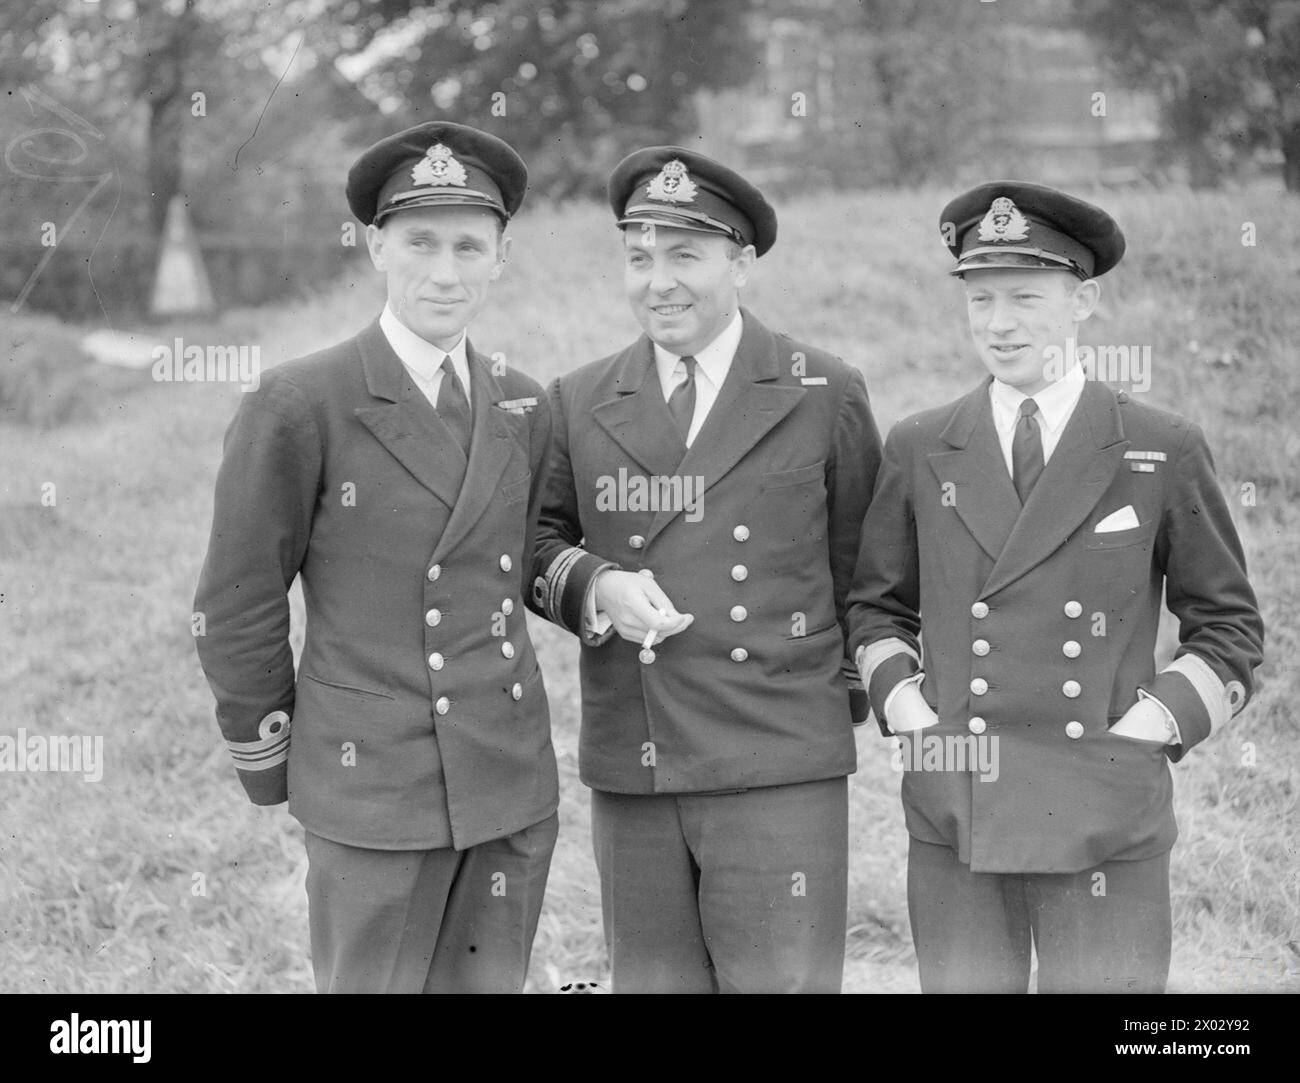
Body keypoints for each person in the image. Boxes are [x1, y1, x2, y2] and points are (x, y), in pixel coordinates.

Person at [847, 180, 1265, 993]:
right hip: (958, 801)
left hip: (1103, 806)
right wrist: (911, 714)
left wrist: (1149, 728)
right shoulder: (921, 444)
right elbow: (876, 606)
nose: (999, 324)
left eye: (1026, 299)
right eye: (981, 299)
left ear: (1085, 303)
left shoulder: (1158, 447)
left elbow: (1230, 629)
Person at [193, 121, 558, 993]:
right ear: (373, 245)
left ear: (501, 256)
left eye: (471, 246)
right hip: (372, 786)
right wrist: (275, 755)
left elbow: (533, 553)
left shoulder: (522, 403)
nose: (445, 270)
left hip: (505, 775)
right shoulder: (301, 399)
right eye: (420, 242)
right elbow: (238, 600)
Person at [529, 146, 883, 992]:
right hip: (636, 757)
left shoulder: (822, 390)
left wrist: (825, 700)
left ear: (742, 262)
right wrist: (598, 585)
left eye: (684, 255)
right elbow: (534, 546)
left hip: (778, 763)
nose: (660, 282)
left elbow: (868, 574)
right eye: (639, 258)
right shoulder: (577, 400)